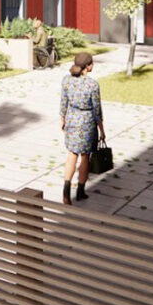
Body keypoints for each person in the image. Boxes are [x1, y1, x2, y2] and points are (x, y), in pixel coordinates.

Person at [60, 53, 104, 205]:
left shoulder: (66, 80)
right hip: (86, 122)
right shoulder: (92, 84)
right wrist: (102, 130)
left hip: (72, 120)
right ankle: (80, 191)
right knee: (85, 156)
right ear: (88, 66)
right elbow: (97, 111)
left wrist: (62, 119)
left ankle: (66, 191)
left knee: (72, 154)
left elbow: (63, 102)